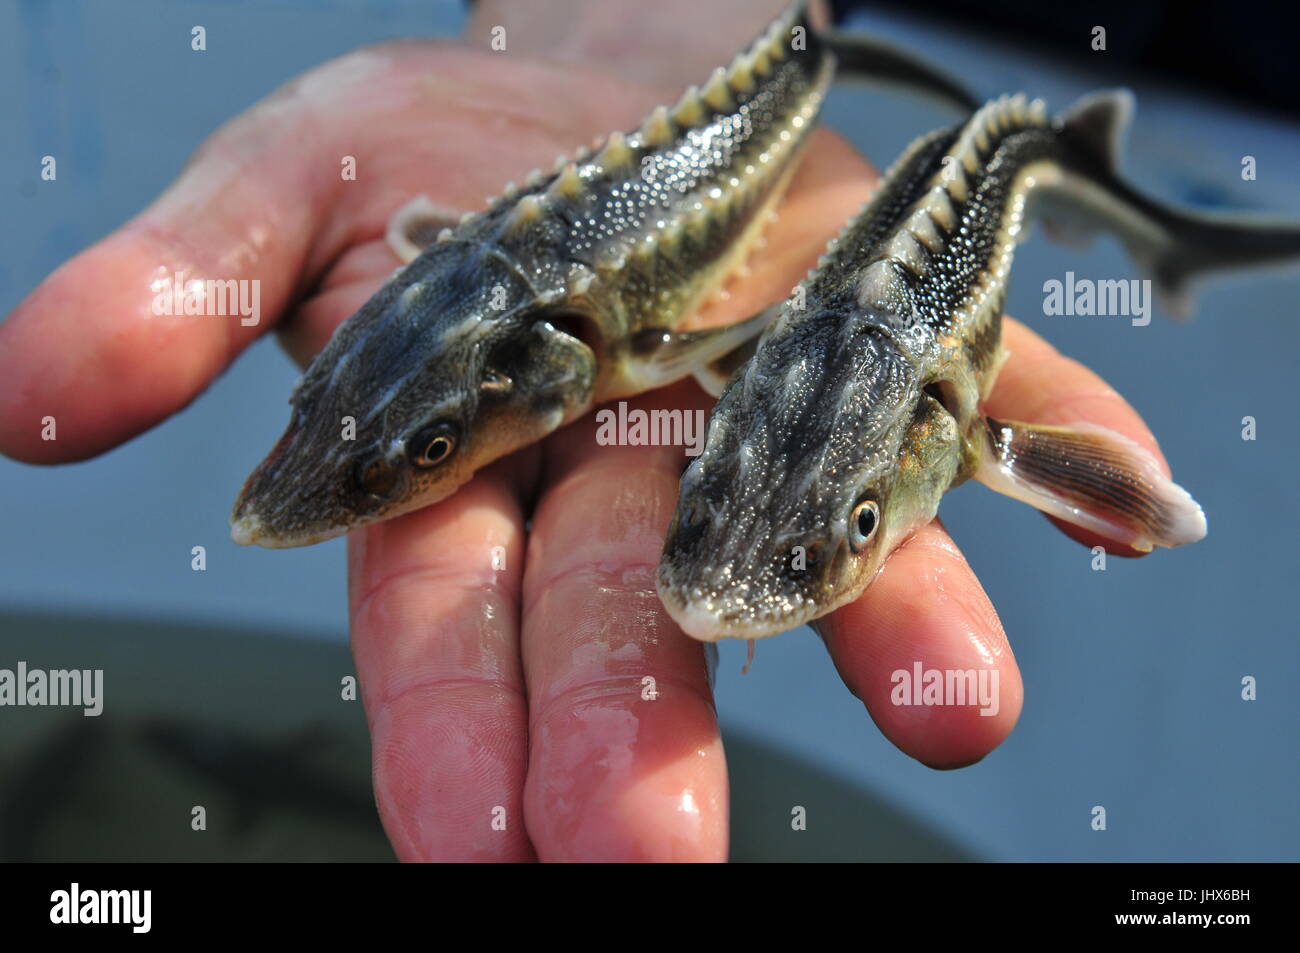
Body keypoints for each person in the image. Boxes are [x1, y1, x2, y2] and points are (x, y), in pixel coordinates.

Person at [0, 0, 1163, 861]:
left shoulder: (656, 351)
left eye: (424, 454)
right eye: (418, 454)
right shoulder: (526, 317)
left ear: (567, 361)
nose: (305, 506)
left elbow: (747, 347)